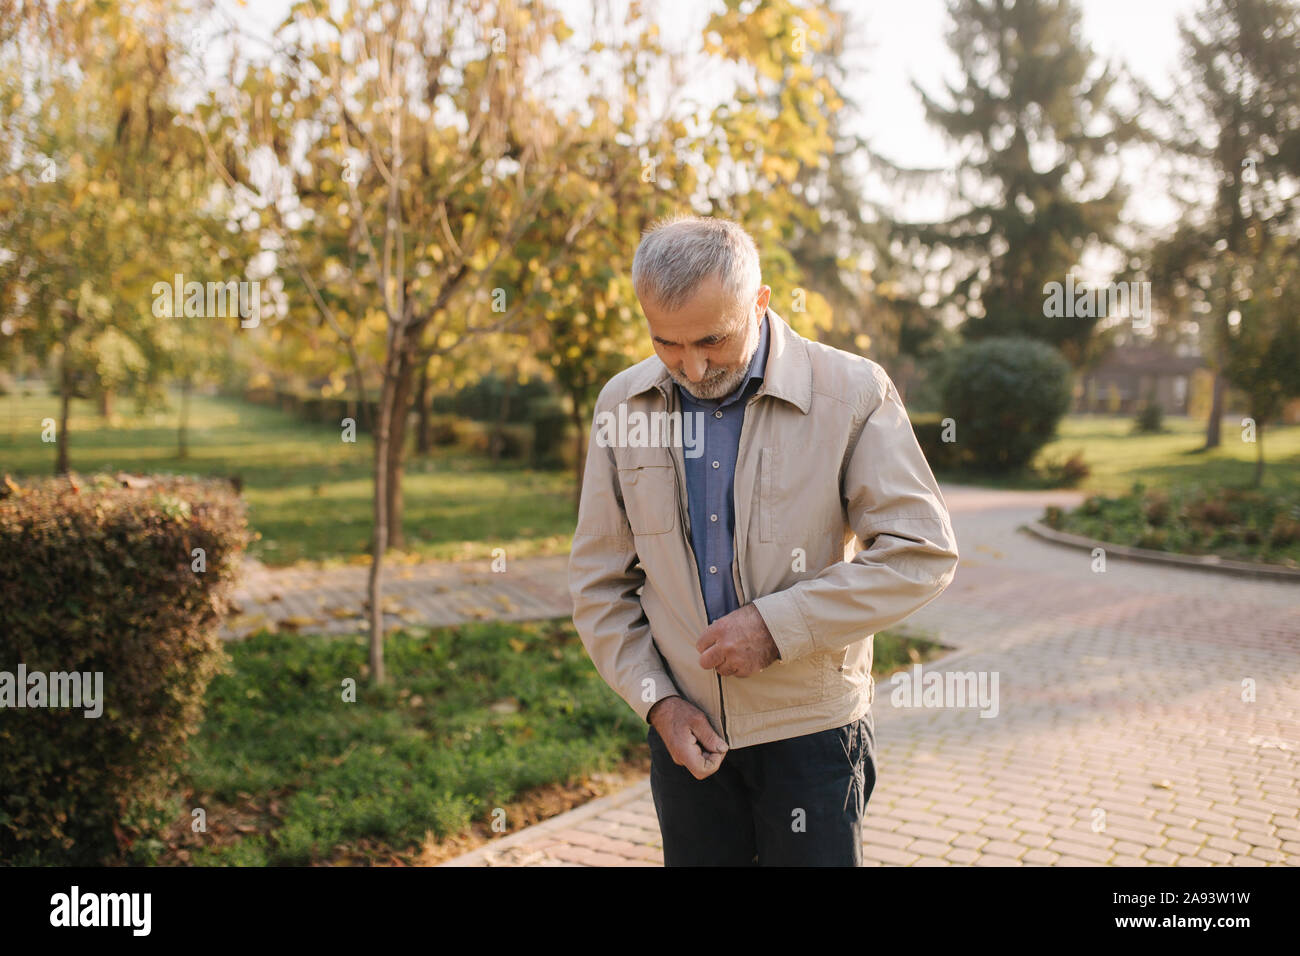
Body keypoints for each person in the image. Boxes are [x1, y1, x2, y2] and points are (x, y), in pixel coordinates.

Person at [568, 215, 960, 866]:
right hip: (685, 737)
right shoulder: (622, 405)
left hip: (812, 738)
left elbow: (921, 553)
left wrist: (778, 626)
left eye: (712, 340)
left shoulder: (855, 392)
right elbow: (599, 582)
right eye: (667, 343)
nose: (692, 366)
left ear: (761, 301)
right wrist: (658, 701)